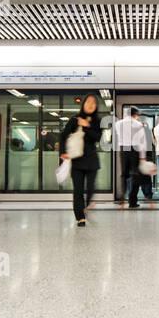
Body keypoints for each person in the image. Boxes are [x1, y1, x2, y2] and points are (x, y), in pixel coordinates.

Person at [59, 93, 103, 226]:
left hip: (92, 161)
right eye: (88, 102)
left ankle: (85, 206)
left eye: (93, 103)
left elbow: (98, 138)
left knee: (90, 189)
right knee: (78, 190)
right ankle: (80, 217)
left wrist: (86, 126)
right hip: (77, 161)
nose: (91, 105)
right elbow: (63, 136)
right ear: (83, 104)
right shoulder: (74, 120)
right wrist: (63, 153)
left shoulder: (97, 122)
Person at [113, 106, 149, 209]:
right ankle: (132, 201)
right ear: (135, 114)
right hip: (135, 150)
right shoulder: (138, 125)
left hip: (123, 149)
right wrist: (143, 157)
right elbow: (143, 142)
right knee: (135, 175)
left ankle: (121, 195)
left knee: (124, 174)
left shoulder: (118, 124)